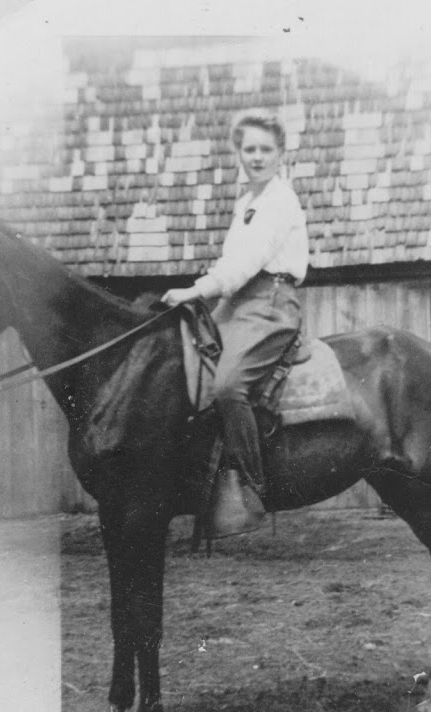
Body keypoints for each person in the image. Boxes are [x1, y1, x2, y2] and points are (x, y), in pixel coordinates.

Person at [162, 110, 309, 536]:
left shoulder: (280, 201)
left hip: (271, 303)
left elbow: (248, 262)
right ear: (238, 154)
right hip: (237, 300)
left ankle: (252, 487)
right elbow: (231, 261)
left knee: (227, 386)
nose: (257, 157)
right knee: (189, 367)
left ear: (280, 154)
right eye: (250, 149)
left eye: (266, 149)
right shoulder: (246, 203)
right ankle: (200, 485)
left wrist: (195, 290)